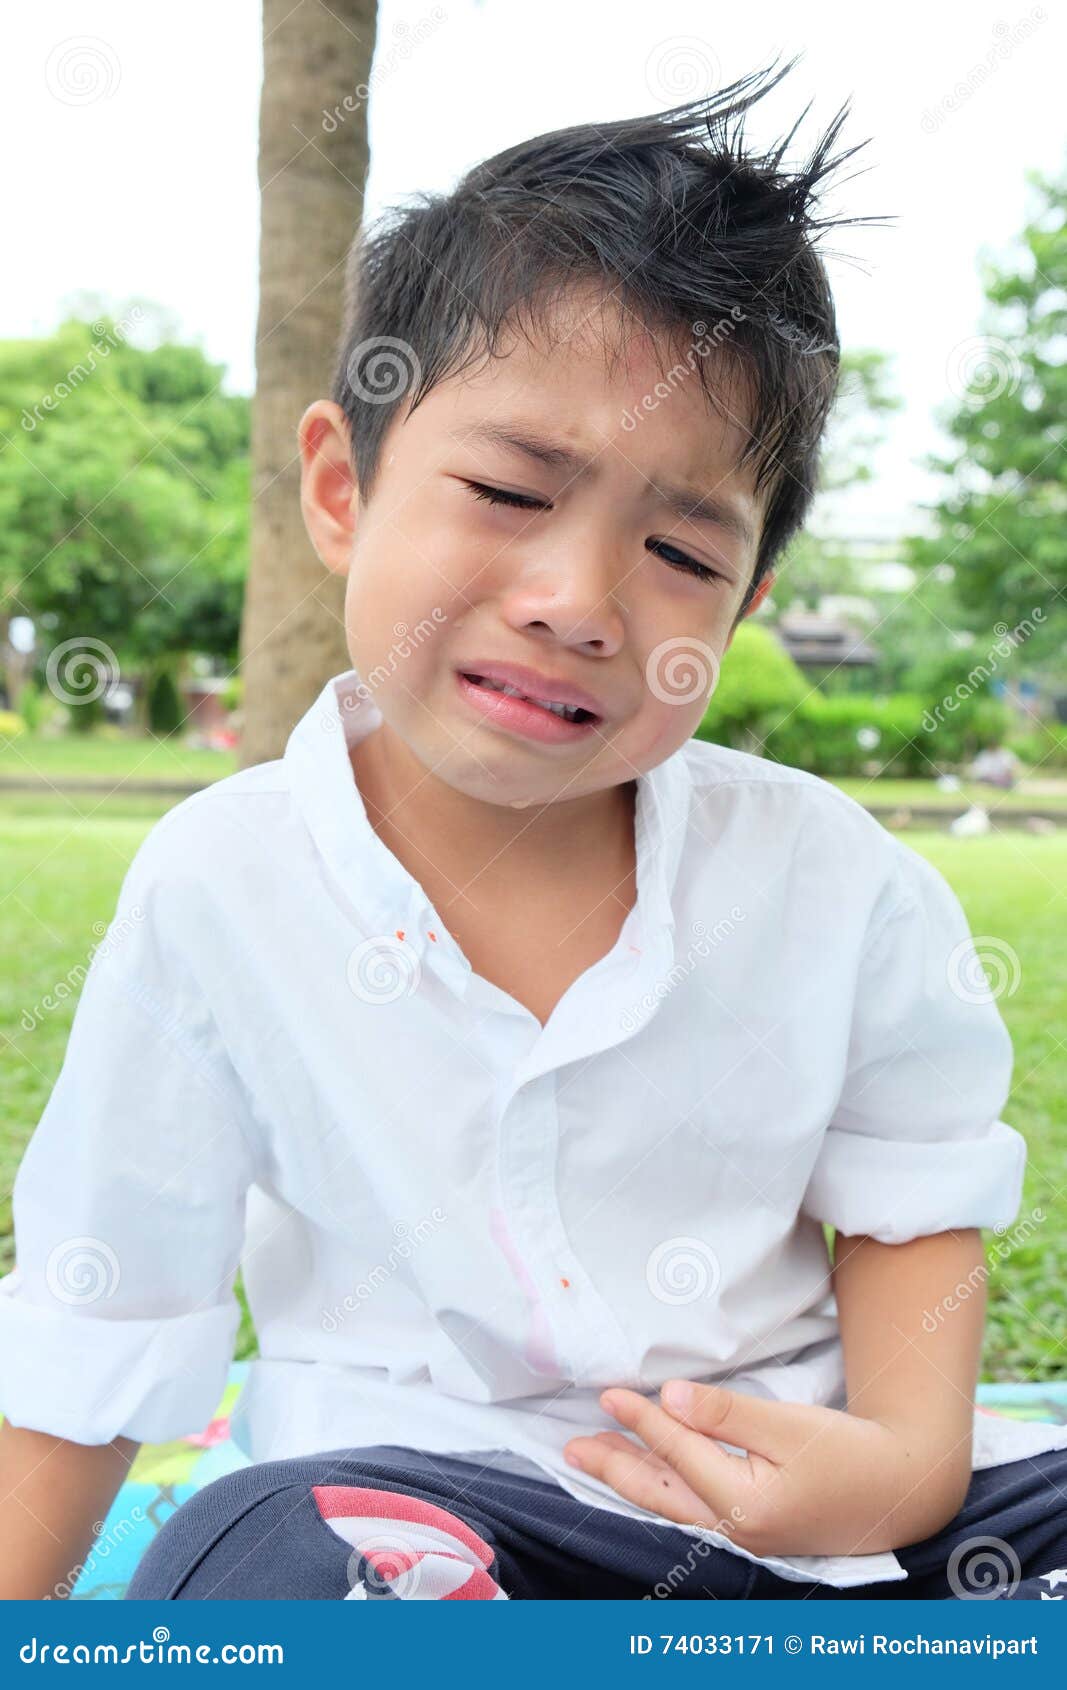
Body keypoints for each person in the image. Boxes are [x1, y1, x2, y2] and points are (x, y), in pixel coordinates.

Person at [2, 59, 1066, 1604]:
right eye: (507, 489)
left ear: (749, 597)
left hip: (803, 1510)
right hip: (418, 1511)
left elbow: (916, 1192)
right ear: (339, 487)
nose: (578, 598)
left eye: (681, 549)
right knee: (253, 1554)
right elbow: (104, 1316)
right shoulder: (219, 889)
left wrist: (897, 1468)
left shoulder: (840, 885)